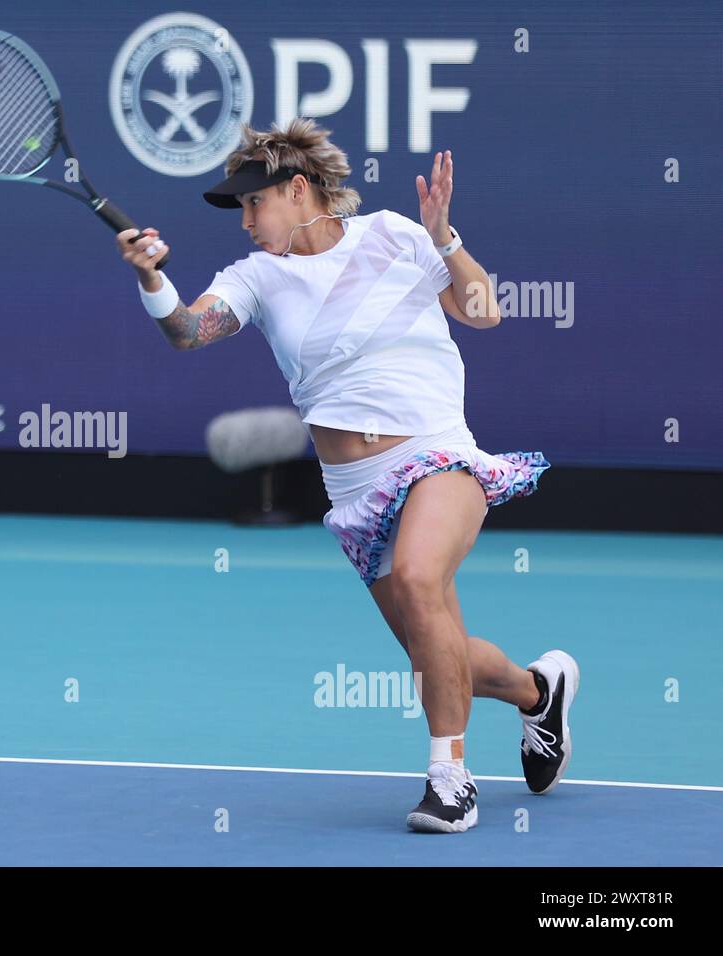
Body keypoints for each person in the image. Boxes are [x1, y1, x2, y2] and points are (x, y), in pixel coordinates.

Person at [118, 118, 579, 833]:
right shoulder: (255, 278)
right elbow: (186, 330)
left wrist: (444, 238)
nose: (245, 222)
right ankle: (535, 692)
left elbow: (484, 312)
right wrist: (152, 277)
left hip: (434, 452)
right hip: (358, 496)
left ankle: (450, 781)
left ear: (298, 190)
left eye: (253, 204)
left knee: (423, 583)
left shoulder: (394, 234)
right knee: (436, 651)